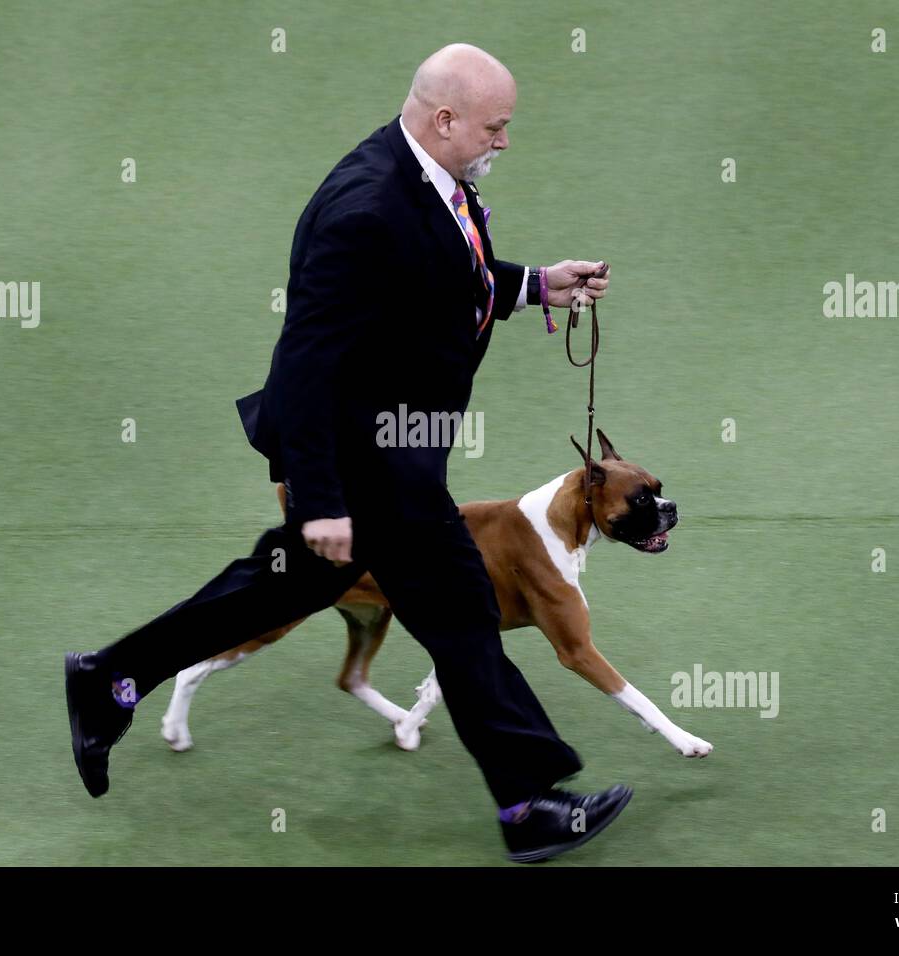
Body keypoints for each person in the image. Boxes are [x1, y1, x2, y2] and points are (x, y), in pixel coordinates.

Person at [65, 42, 628, 863]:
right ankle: (530, 805)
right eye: (495, 127)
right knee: (461, 608)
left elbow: (441, 276)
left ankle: (110, 680)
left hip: (396, 451)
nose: (504, 142)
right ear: (444, 120)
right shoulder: (365, 209)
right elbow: (307, 364)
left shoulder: (427, 181)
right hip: (367, 461)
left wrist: (534, 285)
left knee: (285, 585)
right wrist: (323, 497)